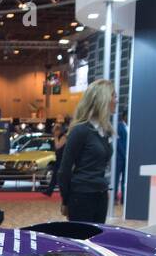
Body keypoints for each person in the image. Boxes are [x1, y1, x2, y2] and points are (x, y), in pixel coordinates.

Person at [57, 79, 115, 224]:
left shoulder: (105, 131)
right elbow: (64, 170)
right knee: (81, 242)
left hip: (100, 194)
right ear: (103, 99)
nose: (116, 100)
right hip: (81, 196)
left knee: (97, 241)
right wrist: (65, 200)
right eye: (113, 96)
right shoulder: (81, 130)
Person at [42, 118, 69, 197]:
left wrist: (56, 137)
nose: (54, 131)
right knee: (55, 175)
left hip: (62, 159)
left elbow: (58, 146)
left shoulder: (64, 137)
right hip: (59, 158)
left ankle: (52, 191)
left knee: (60, 176)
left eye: (56, 129)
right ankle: (49, 191)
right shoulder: (60, 135)